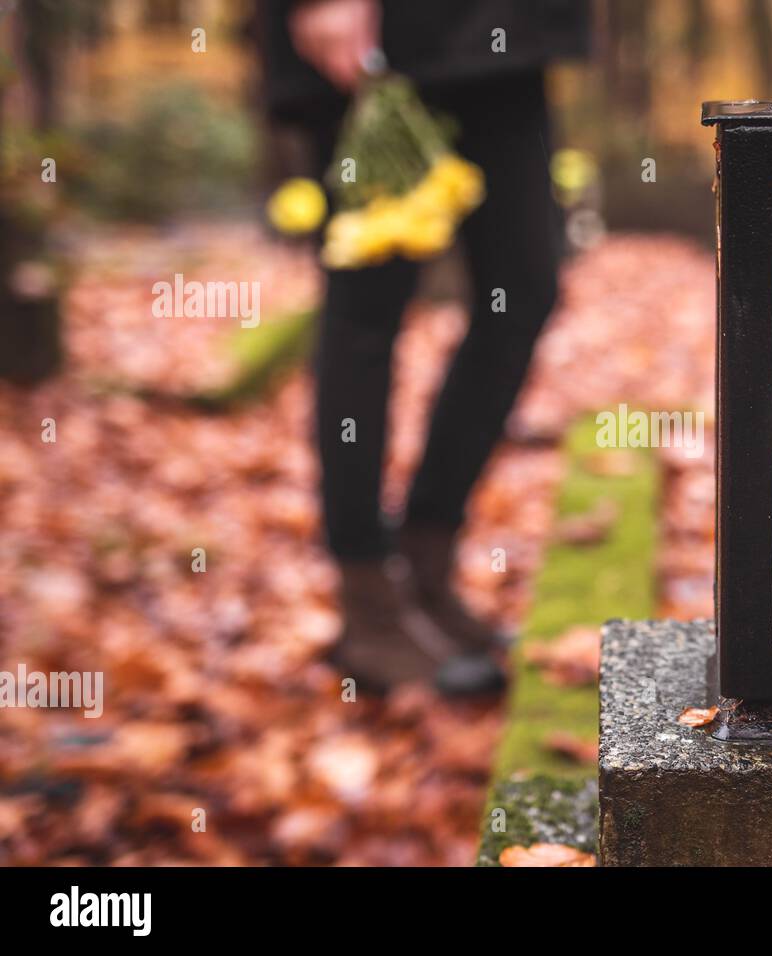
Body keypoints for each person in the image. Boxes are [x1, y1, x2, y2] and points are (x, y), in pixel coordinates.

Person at [258, 0, 589, 695]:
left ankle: (426, 568)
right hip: (381, 37)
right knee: (368, 310)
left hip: (503, 36)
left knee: (524, 293)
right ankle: (370, 604)